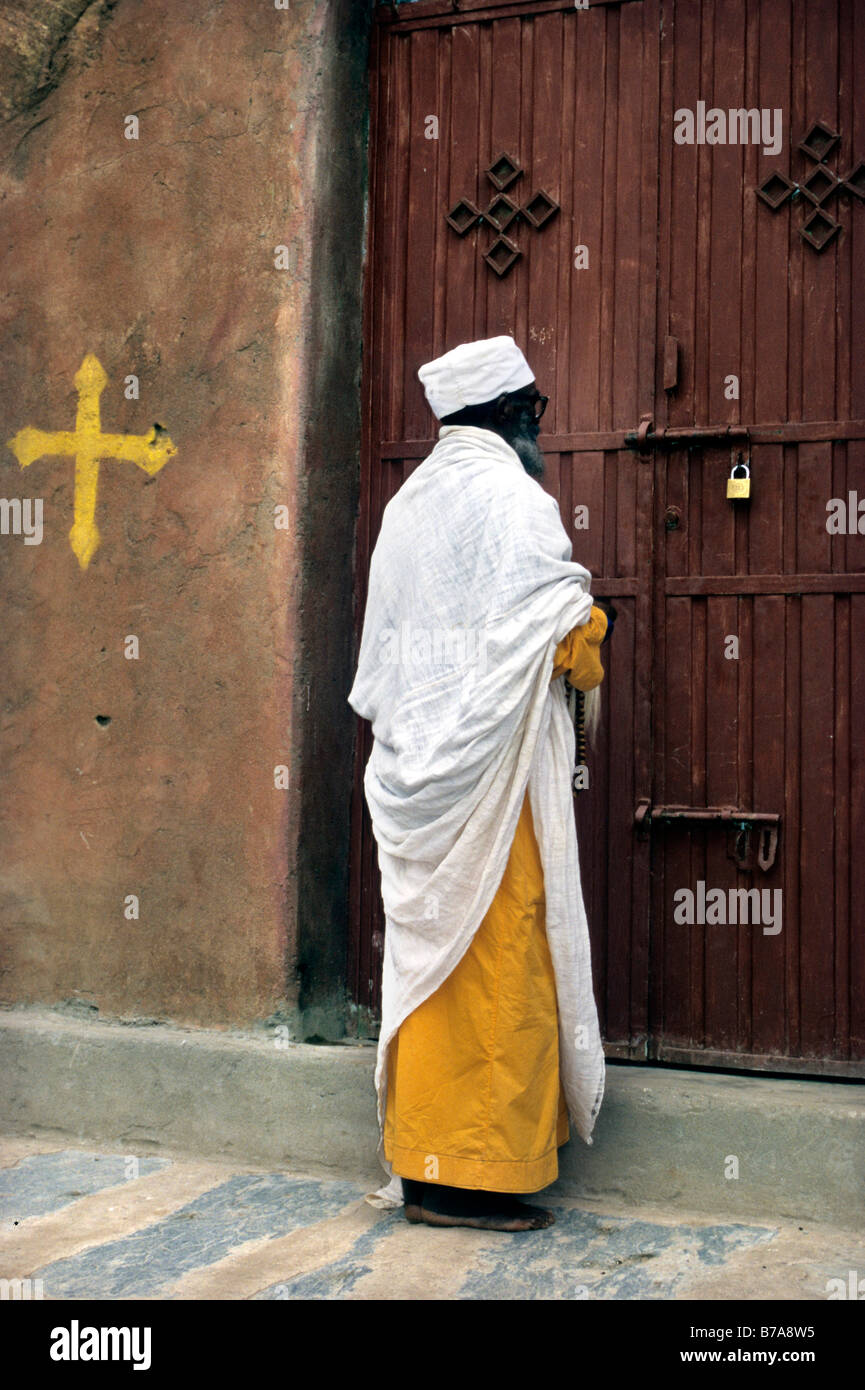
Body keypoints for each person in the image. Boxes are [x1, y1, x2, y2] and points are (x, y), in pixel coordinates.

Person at [348, 336, 612, 1231]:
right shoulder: (514, 499)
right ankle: (479, 1180)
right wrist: (592, 636)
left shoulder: (406, 507)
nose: (542, 426)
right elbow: (560, 630)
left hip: (418, 782)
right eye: (535, 410)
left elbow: (387, 656)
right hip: (496, 788)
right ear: (508, 415)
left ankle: (422, 1169)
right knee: (502, 964)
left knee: (428, 970)